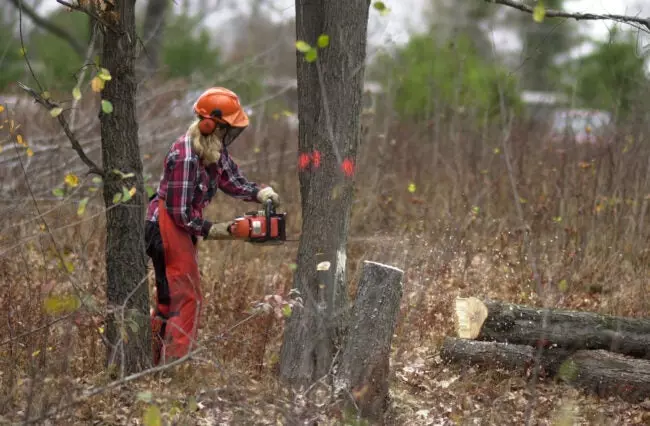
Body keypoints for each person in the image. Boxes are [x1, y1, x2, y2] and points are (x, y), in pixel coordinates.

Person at [144, 87, 280, 366]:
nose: (231, 135)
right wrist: (215, 229)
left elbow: (231, 179)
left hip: (180, 228)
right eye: (228, 128)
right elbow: (179, 211)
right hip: (166, 227)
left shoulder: (214, 150)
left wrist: (258, 193)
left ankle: (151, 360)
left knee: (170, 298)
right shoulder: (186, 155)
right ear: (211, 124)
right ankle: (172, 367)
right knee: (185, 297)